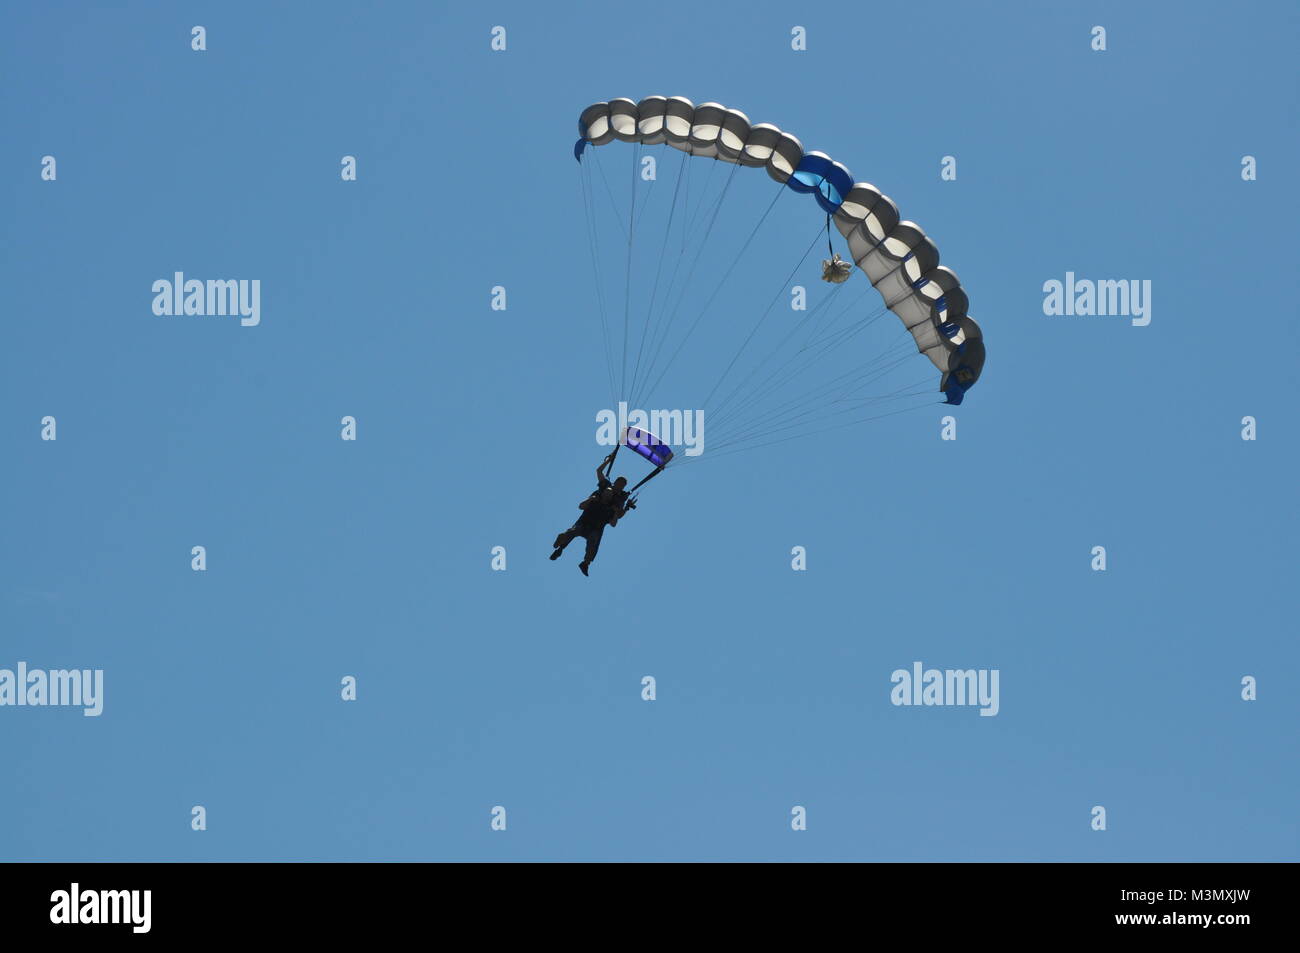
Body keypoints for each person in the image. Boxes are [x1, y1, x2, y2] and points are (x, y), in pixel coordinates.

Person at [550, 450, 629, 575]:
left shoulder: (619, 501)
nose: (620, 486)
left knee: (593, 546)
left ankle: (585, 563)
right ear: (615, 483)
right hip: (585, 521)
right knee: (572, 532)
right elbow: (599, 472)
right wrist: (609, 460)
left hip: (596, 528)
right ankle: (560, 545)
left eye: (622, 485)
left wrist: (622, 510)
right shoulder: (602, 489)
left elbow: (617, 519)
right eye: (619, 483)